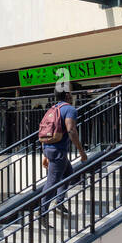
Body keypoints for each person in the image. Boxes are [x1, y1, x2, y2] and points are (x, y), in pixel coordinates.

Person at [39, 80, 87, 223]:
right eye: (70, 93)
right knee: (52, 182)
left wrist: (45, 153)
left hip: (49, 148)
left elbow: (44, 131)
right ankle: (42, 212)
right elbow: (71, 130)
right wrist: (81, 152)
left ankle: (59, 202)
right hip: (58, 151)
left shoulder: (52, 109)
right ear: (67, 95)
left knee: (68, 173)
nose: (71, 96)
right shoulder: (69, 109)